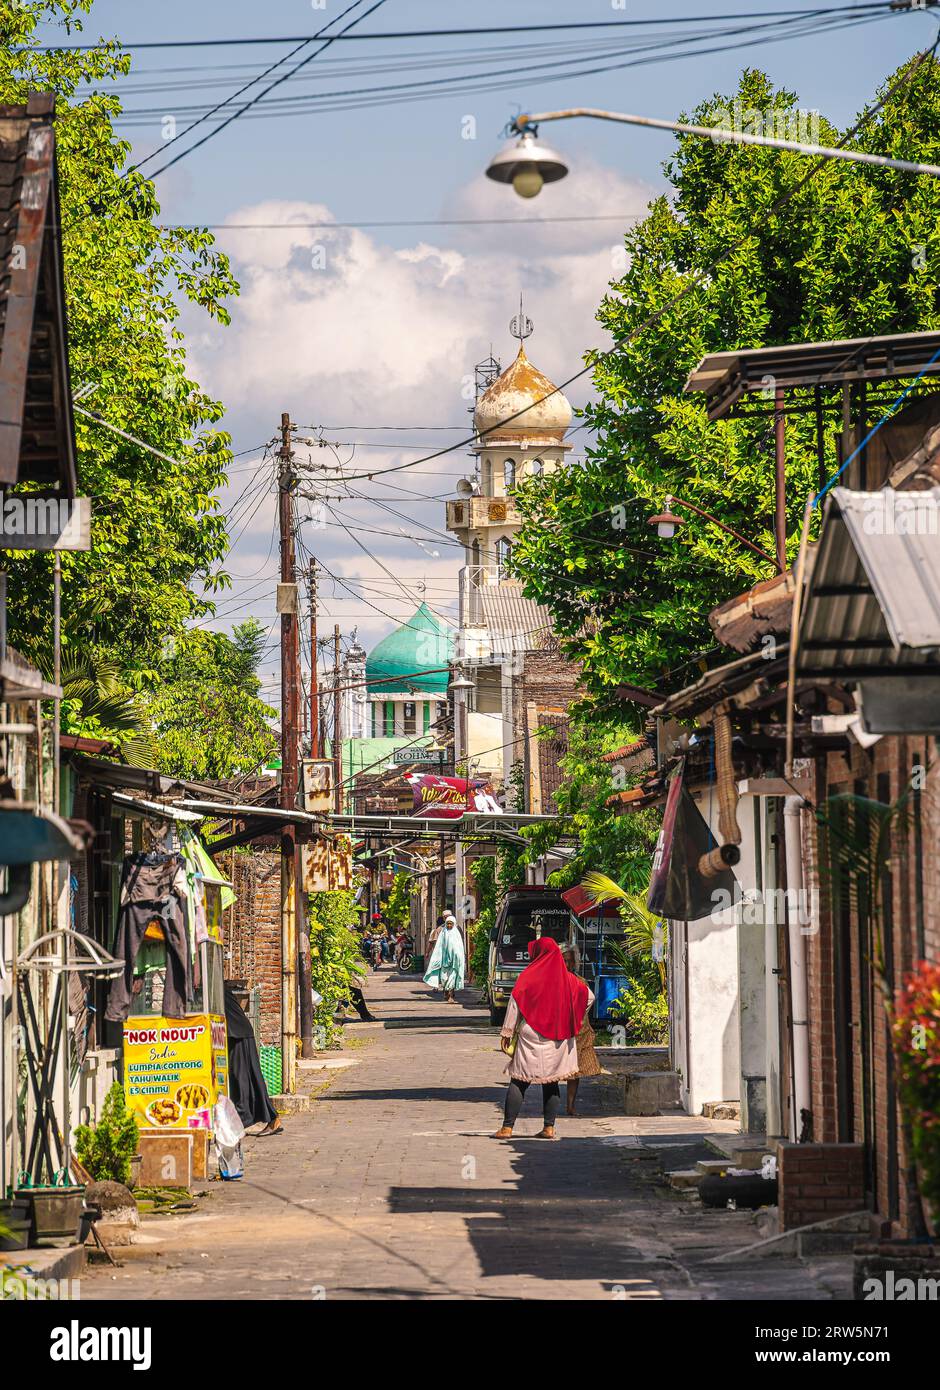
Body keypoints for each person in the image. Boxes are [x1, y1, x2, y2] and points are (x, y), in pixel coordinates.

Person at [494, 937, 593, 1141]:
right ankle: (548, 1128)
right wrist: (571, 1016)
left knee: (519, 1080)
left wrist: (507, 1032)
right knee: (552, 1082)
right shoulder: (569, 980)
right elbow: (588, 997)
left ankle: (507, 1128)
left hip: (531, 1033)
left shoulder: (528, 976)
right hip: (558, 1037)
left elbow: (515, 1003)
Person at [223, 982, 283, 1135]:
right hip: (234, 1033)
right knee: (243, 1077)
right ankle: (263, 1118)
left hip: (238, 1033)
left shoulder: (209, 985)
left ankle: (263, 1118)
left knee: (242, 1077)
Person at [561, 945, 602, 1114]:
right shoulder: (552, 981)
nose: (567, 964)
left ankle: (570, 1105)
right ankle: (549, 1106)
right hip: (558, 1033)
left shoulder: (580, 981)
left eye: (570, 961)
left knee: (575, 1072)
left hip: (578, 1031)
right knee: (552, 1071)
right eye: (564, 961)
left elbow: (590, 999)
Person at [423, 912, 465, 1003]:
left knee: (452, 978)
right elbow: (438, 947)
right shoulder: (442, 932)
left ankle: (451, 996)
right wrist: (434, 957)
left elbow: (460, 948)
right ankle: (446, 991)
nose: (449, 925)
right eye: (448, 923)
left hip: (454, 961)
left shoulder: (457, 933)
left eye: (451, 923)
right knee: (444, 978)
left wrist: (459, 958)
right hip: (444, 961)